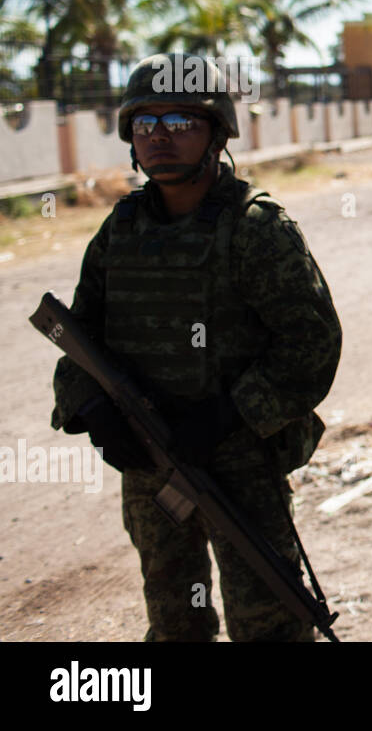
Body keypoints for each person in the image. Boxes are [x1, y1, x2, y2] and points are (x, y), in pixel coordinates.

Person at [51, 53, 343, 642]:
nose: (159, 137)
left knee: (270, 620)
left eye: (180, 122)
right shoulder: (122, 230)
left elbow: (311, 344)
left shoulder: (256, 227)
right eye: (144, 124)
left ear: (216, 133)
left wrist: (227, 416)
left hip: (237, 466)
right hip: (150, 461)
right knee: (174, 620)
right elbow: (75, 337)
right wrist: (94, 412)